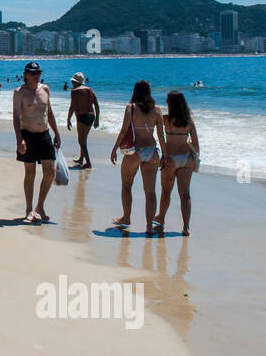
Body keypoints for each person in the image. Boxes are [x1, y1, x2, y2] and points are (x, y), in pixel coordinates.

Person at [110, 80, 168, 235]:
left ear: (135, 91)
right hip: (151, 151)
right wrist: (165, 155)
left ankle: (126, 218)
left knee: (126, 185)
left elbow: (123, 130)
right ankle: (149, 226)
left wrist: (114, 149)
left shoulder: (131, 108)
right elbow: (161, 135)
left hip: (136, 151)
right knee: (150, 191)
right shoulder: (157, 110)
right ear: (149, 92)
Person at [12, 61, 61, 223]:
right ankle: (28, 209)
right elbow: (16, 117)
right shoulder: (19, 92)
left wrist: (57, 133)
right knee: (30, 173)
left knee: (50, 172)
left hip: (44, 135)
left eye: (38, 73)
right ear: (25, 75)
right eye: (33, 73)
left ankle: (40, 206)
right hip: (28, 136)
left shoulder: (45, 89)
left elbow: (50, 112)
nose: (36, 76)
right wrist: (19, 140)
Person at [156, 90, 199, 235]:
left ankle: (161, 221)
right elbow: (196, 145)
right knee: (185, 194)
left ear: (170, 104)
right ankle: (186, 228)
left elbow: (155, 130)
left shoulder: (166, 119)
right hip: (186, 159)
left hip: (171, 158)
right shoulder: (189, 121)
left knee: (166, 191)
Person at [65, 71, 100, 169]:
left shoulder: (75, 91)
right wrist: (97, 119)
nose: (72, 83)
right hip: (91, 116)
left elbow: (72, 107)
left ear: (76, 82)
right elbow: (96, 105)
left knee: (81, 140)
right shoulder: (90, 89)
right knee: (84, 139)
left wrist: (68, 119)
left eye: (73, 82)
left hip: (82, 116)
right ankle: (81, 159)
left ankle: (88, 163)